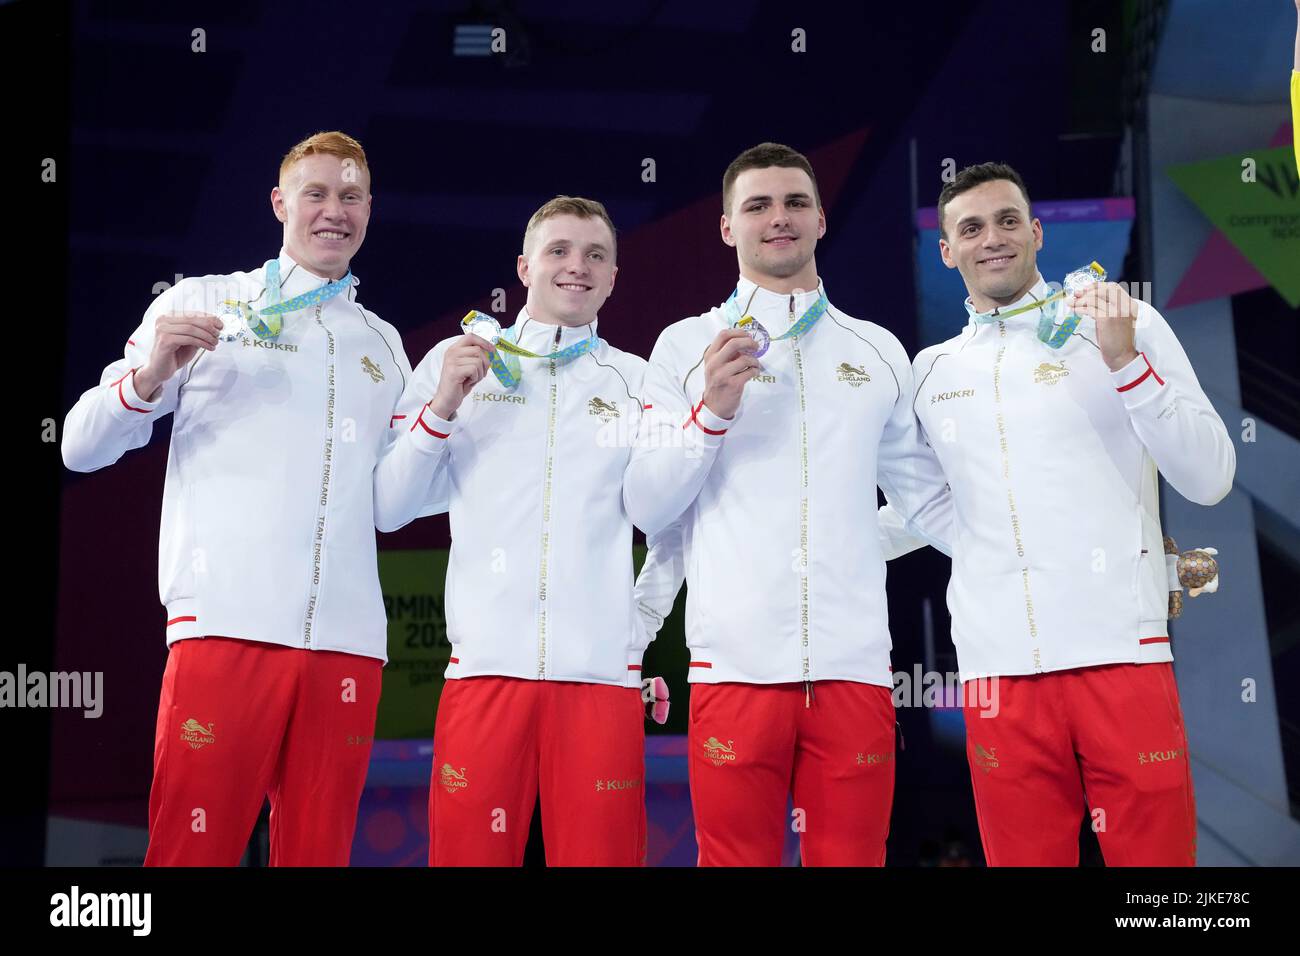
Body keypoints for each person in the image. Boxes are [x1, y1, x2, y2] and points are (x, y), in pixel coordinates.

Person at [61, 131, 431, 865]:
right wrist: (148, 379)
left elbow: (391, 507)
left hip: (346, 646)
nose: (335, 211)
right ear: (279, 202)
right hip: (225, 626)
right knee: (190, 854)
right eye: (317, 193)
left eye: (351, 196)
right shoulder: (203, 302)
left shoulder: (385, 343)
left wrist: (440, 418)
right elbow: (80, 444)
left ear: (369, 210)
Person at [881, 161, 1235, 865]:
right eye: (971, 227)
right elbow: (922, 512)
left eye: (1009, 220)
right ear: (946, 250)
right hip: (998, 672)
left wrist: (1127, 365)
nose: (994, 239)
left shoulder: (1123, 323)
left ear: (1037, 232)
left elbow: (1211, 477)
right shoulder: (930, 373)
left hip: (1121, 655)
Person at [623, 143, 950, 866]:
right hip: (734, 667)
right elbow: (649, 505)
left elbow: (926, 505)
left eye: (796, 203)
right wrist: (708, 414)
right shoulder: (683, 347)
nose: (779, 219)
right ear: (725, 227)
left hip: (855, 667)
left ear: (822, 219)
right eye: (759, 206)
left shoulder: (876, 351)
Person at [374, 196, 654, 866]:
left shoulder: (640, 383)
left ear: (614, 276)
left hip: (600, 683)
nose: (576, 267)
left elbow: (670, 523)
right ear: (525, 266)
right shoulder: (459, 360)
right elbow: (388, 507)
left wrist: (638, 630)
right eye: (558, 250)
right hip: (484, 675)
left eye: (595, 255)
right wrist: (442, 406)